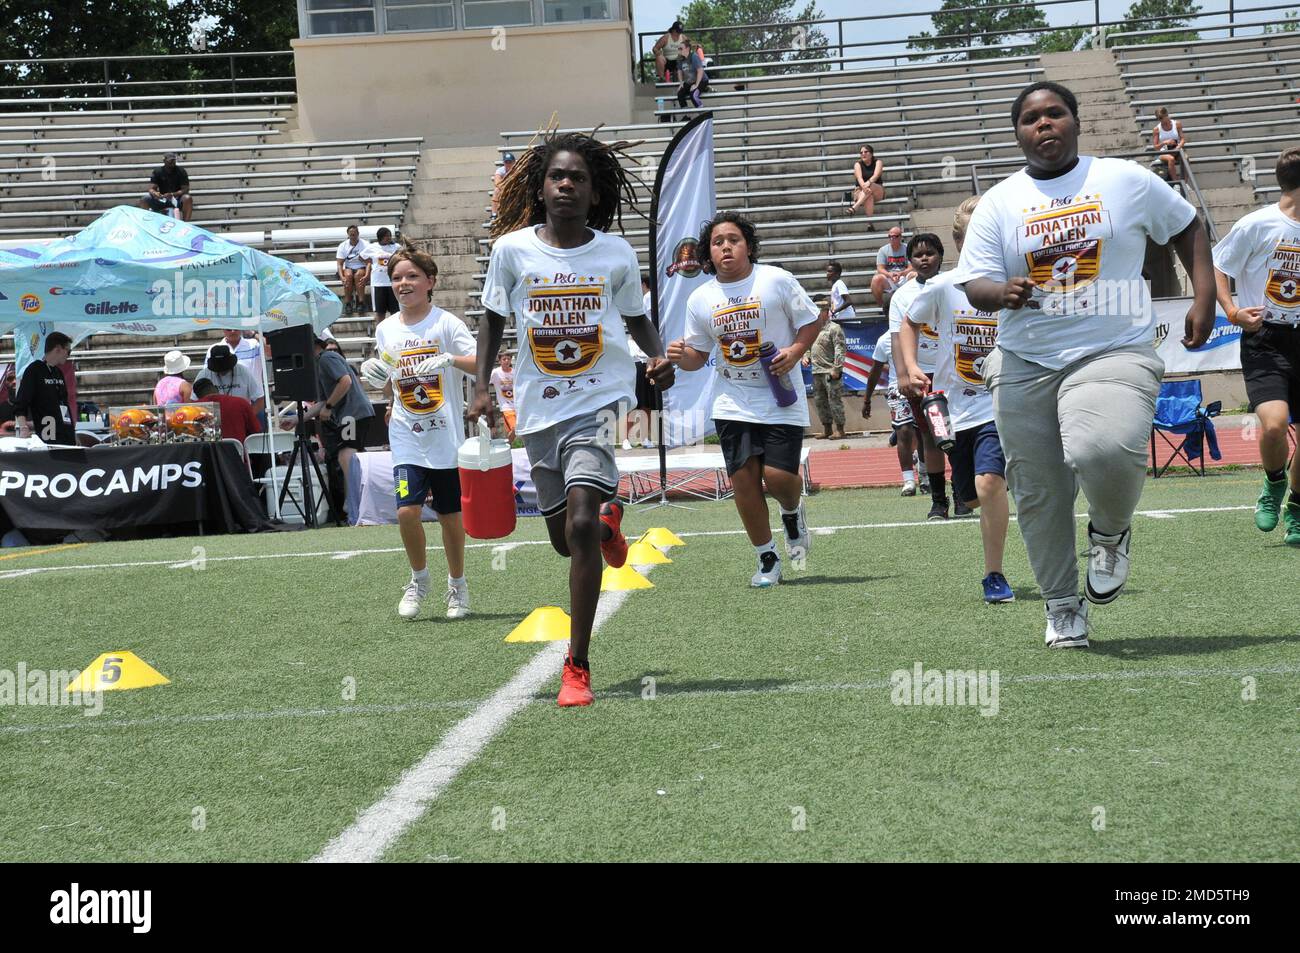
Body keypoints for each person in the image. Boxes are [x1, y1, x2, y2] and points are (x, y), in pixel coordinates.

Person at [949, 80, 1215, 649]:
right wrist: (1002, 292)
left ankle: (1111, 533)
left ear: (1075, 120)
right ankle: (1063, 605)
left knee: (1101, 448)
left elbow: (1189, 224)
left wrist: (1205, 296)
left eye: (1055, 114)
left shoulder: (1122, 179)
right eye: (1031, 119)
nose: (1044, 125)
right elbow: (974, 284)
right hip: (1026, 357)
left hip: (1114, 344)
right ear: (1017, 132)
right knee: (1039, 491)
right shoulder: (1000, 202)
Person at [471, 130, 676, 707]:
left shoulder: (614, 254)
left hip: (603, 401)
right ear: (540, 188)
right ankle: (610, 526)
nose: (567, 185)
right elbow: (490, 320)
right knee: (567, 540)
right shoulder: (511, 251)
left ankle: (576, 666)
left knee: (579, 525)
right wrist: (483, 386)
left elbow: (637, 319)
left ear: (594, 191)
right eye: (557, 176)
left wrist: (657, 358)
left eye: (578, 178)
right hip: (539, 411)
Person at [669, 211, 819, 589]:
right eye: (717, 243)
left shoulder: (776, 280)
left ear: (748, 246)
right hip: (731, 400)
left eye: (733, 239)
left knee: (779, 477)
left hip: (779, 394)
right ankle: (767, 558)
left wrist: (797, 350)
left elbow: (813, 319)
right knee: (744, 481)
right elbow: (697, 358)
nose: (725, 247)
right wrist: (678, 354)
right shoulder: (700, 299)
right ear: (709, 254)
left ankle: (790, 512)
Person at [899, 197, 1015, 603]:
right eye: (972, 235)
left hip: (1000, 405)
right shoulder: (945, 288)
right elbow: (910, 322)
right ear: (960, 239)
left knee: (988, 485)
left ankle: (994, 575)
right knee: (969, 496)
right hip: (955, 407)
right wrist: (912, 365)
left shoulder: (1013, 285)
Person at [1213, 146, 1300, 546]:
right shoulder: (1257, 224)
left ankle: (1297, 508)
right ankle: (1274, 482)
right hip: (1266, 339)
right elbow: (1220, 265)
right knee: (1275, 424)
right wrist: (1231, 310)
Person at [889, 233, 950, 520]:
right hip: (921, 374)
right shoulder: (902, 295)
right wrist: (903, 374)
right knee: (930, 436)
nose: (924, 259)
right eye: (917, 255)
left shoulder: (955, 285)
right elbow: (896, 337)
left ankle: (963, 493)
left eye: (930, 253)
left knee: (958, 434)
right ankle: (939, 500)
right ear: (909, 260)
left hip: (954, 371)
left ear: (940, 255)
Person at [308, 332, 375, 525]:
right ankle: (354, 505)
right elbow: (322, 401)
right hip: (350, 415)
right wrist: (298, 419)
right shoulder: (320, 362)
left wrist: (329, 407)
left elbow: (345, 381)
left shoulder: (326, 358)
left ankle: (354, 506)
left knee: (346, 457)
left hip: (352, 413)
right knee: (346, 458)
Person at [862, 331, 921, 495]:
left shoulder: (922, 333)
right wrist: (867, 399)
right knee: (903, 431)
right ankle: (909, 480)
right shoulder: (885, 340)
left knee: (924, 432)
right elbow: (875, 371)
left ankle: (925, 474)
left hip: (923, 384)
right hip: (898, 390)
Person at [12, 332, 75, 446]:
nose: (68, 355)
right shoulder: (34, 370)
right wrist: (23, 427)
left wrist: (72, 433)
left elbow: (65, 404)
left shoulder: (58, 372)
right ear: (58, 349)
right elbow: (21, 403)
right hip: (47, 437)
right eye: (68, 351)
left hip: (65, 435)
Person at [804, 297, 847, 439]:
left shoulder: (834, 328)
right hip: (816, 371)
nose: (815, 314)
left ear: (826, 312)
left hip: (830, 371)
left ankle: (840, 430)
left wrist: (837, 368)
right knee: (820, 401)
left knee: (834, 400)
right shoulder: (813, 329)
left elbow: (840, 349)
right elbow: (808, 346)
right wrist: (806, 356)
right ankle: (827, 428)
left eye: (818, 311)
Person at [195, 344, 265, 417]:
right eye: (218, 369)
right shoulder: (204, 374)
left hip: (240, 416)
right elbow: (193, 401)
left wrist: (248, 417)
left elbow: (260, 399)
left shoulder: (243, 371)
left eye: (225, 368)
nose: (222, 372)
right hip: (213, 419)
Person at [192, 377, 261, 445]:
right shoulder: (241, 403)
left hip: (205, 455)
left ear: (197, 396)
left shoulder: (191, 409)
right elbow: (256, 433)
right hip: (237, 453)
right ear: (216, 388)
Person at [362, 228, 402, 323]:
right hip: (378, 283)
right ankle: (379, 333)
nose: (389, 238)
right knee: (380, 311)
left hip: (393, 282)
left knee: (395, 311)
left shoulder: (396, 247)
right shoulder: (372, 247)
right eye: (386, 236)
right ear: (381, 237)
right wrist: (371, 263)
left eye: (389, 235)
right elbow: (361, 256)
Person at [871, 226, 913, 310]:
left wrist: (901, 273)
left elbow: (911, 267)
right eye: (890, 236)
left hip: (904, 276)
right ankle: (881, 306)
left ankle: (913, 305)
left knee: (915, 275)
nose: (892, 238)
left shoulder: (907, 248)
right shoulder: (883, 250)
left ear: (901, 237)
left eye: (895, 236)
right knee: (876, 279)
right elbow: (880, 268)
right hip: (889, 277)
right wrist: (889, 274)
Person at [142, 152, 192, 221]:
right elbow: (151, 188)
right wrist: (155, 193)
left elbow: (185, 189)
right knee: (145, 199)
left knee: (187, 198)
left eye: (174, 160)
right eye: (170, 160)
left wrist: (172, 194)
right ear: (164, 161)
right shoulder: (158, 171)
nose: (172, 162)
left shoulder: (181, 171)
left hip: (177, 199)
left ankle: (186, 224)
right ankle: (147, 221)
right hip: (162, 199)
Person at [335, 225, 371, 317]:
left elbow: (368, 262)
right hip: (349, 267)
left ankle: (361, 302)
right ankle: (348, 303)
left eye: (354, 234)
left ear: (358, 234)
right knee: (348, 276)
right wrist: (342, 277)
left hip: (362, 267)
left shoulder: (365, 244)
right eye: (351, 235)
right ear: (348, 235)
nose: (353, 236)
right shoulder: (343, 246)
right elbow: (339, 264)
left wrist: (367, 275)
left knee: (359, 275)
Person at [847, 145, 885, 218]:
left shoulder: (878, 162)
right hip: (860, 190)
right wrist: (864, 187)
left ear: (871, 153)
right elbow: (859, 178)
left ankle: (855, 207)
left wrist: (868, 183)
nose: (863, 154)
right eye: (861, 153)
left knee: (871, 186)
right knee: (869, 196)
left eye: (866, 152)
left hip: (877, 190)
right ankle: (870, 224)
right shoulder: (857, 164)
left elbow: (876, 175)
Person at [1152, 107, 1186, 184]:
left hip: (1176, 149)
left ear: (1166, 115)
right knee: (1170, 159)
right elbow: (1156, 147)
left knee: (1185, 159)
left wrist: (1177, 147)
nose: (1160, 120)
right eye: (1158, 118)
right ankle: (1177, 183)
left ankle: (1185, 183)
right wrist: (1164, 142)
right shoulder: (1157, 129)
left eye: (1161, 118)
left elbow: (1183, 139)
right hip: (1164, 151)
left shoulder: (1177, 124)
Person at [490, 351, 517, 441]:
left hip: (517, 405)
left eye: (508, 359)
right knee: (514, 428)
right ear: (500, 361)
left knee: (512, 433)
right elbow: (485, 381)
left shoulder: (515, 372)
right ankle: (507, 445)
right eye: (504, 359)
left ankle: (507, 446)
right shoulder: (496, 373)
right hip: (506, 407)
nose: (506, 361)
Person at [676, 41, 709, 112]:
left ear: (687, 49)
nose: (679, 50)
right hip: (690, 81)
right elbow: (679, 71)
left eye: (681, 48)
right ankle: (686, 115)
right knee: (680, 93)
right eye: (678, 48)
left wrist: (696, 85)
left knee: (693, 94)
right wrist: (681, 83)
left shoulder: (693, 56)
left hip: (701, 80)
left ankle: (702, 114)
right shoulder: (680, 58)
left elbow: (700, 70)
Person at [491, 154, 516, 221]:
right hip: (504, 189)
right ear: (504, 163)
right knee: (496, 191)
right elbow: (497, 182)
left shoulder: (518, 170)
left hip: (516, 188)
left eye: (510, 162)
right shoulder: (500, 170)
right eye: (506, 162)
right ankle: (494, 214)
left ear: (514, 162)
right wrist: (505, 188)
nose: (508, 164)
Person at [0, 364, 18, 436]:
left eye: (18, 378)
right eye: (10, 379)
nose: (14, 382)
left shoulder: (33, 404)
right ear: (5, 383)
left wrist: (11, 424)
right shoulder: (2, 407)